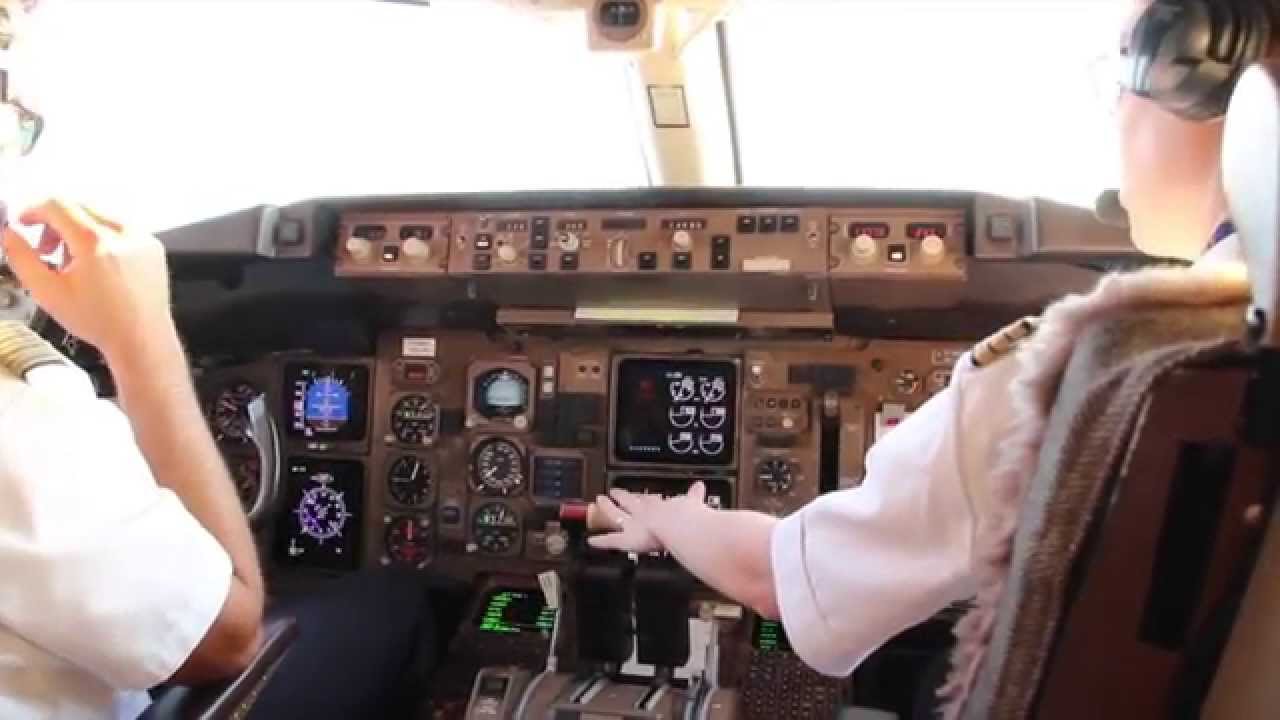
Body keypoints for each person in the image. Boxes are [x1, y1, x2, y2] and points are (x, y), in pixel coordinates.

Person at [590, 0, 1275, 679]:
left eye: (1126, 69)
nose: (1114, 112)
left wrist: (668, 520)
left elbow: (780, 578)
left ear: (1202, 65)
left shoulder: (1097, 368)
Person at [0, 2, 459, 718]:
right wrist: (141, 335)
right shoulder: (18, 411)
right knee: (393, 602)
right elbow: (228, 636)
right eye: (16, 114)